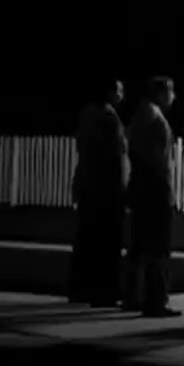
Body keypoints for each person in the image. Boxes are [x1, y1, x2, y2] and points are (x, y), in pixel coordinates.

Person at [68, 78, 130, 308]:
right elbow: (115, 158)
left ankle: (80, 289)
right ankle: (105, 291)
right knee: (107, 243)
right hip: (106, 190)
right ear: (110, 92)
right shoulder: (108, 117)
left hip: (89, 187)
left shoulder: (87, 115)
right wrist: (123, 190)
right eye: (120, 90)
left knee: (86, 240)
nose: (122, 95)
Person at [125, 76, 180, 317]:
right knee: (158, 248)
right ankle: (156, 301)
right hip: (155, 191)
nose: (173, 97)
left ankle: (132, 297)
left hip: (141, 189)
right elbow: (156, 161)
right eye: (171, 91)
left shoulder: (140, 116)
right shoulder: (155, 120)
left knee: (138, 247)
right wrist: (165, 192)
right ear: (161, 93)